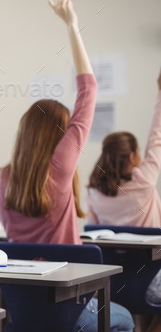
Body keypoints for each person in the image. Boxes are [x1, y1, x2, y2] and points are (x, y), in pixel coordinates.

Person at [0, 0, 133, 332]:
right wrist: (72, 25)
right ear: (60, 136)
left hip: (23, 311)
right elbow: (89, 89)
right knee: (125, 319)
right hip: (70, 305)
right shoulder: (60, 166)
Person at [86, 68, 161, 332]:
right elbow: (157, 136)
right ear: (132, 157)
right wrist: (160, 92)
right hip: (150, 281)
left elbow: (93, 239)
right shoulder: (145, 181)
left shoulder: (93, 192)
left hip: (113, 284)